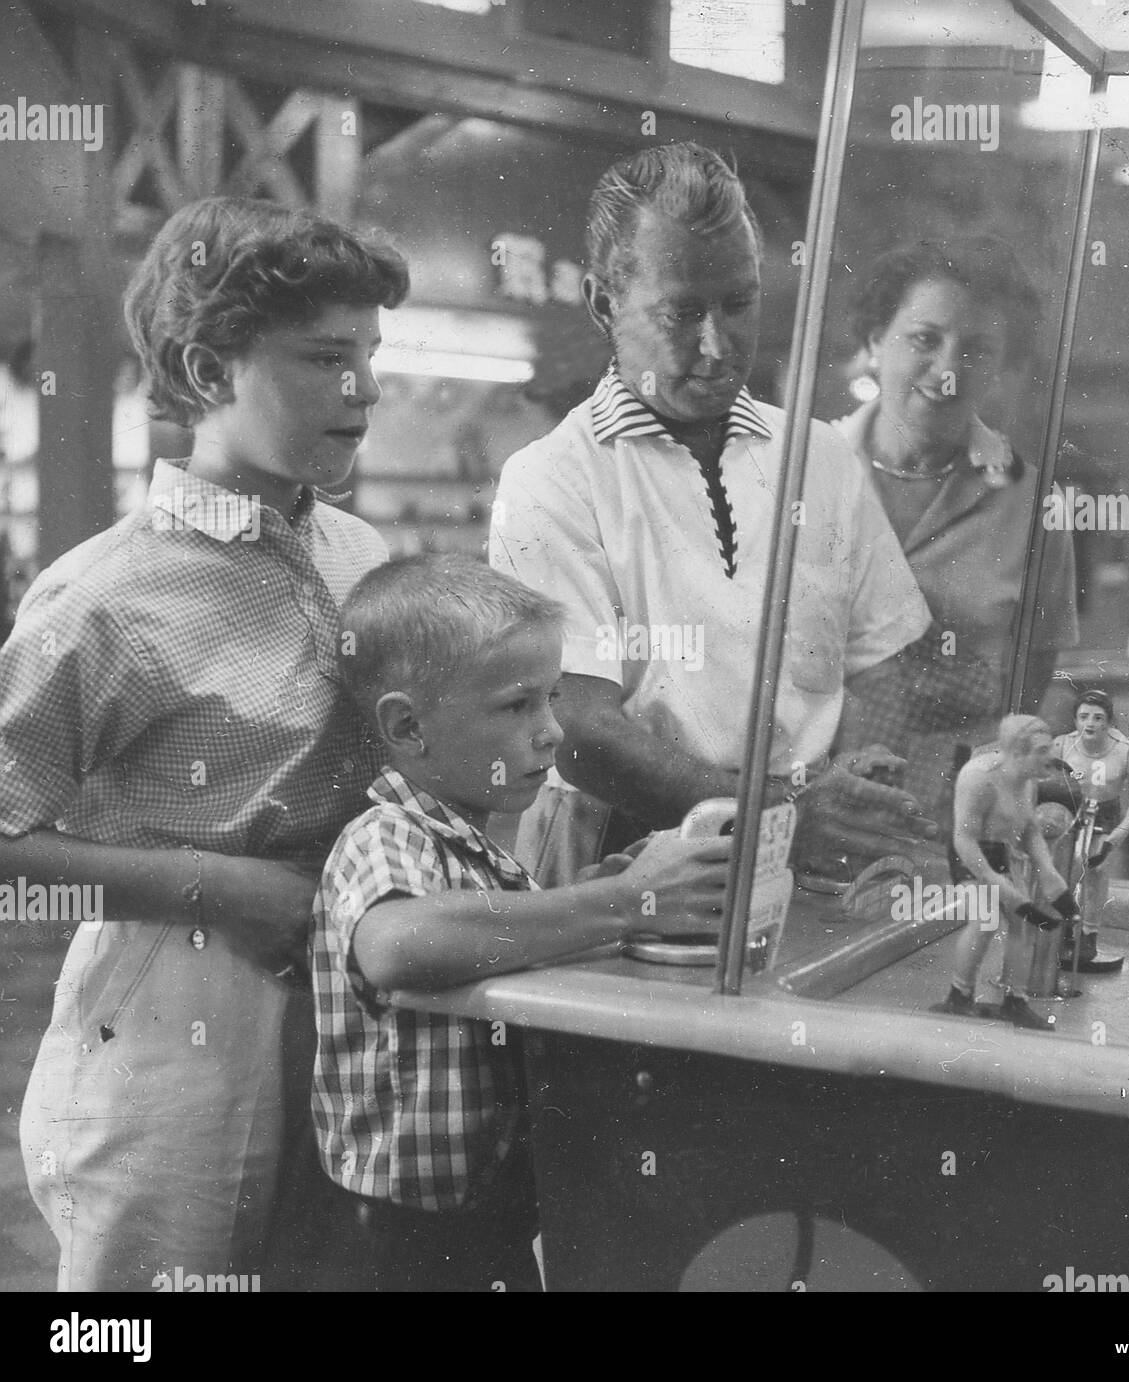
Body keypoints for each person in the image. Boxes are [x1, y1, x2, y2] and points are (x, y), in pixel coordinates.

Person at [2, 197, 408, 1291]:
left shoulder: (360, 550)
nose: (365, 390)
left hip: (344, 1000)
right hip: (170, 1015)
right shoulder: (105, 595)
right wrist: (215, 886)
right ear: (208, 368)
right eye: (327, 357)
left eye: (371, 356)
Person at [490, 142, 934, 888]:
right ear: (604, 303)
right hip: (625, 856)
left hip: (809, 848)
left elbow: (883, 665)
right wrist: (780, 816)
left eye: (738, 303)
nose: (717, 344)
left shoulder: (818, 457)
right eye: (683, 312)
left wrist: (856, 785)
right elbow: (582, 730)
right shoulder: (550, 481)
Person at [314, 554, 732, 1290]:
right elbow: (397, 945)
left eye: (553, 701)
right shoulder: (385, 838)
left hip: (487, 1222)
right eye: (517, 707)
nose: (550, 734)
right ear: (408, 726)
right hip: (398, 1243)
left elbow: (507, 933)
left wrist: (613, 881)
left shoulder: (483, 852)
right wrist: (626, 901)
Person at [835, 236, 1079, 830]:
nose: (947, 371)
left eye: (975, 351)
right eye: (925, 339)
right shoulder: (803, 472)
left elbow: (1034, 676)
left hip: (951, 817)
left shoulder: (1031, 500)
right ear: (874, 343)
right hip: (812, 803)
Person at [936, 715, 1078, 1031]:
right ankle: (959, 995)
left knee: (1023, 926)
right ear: (1017, 752)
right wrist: (996, 882)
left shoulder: (1026, 781)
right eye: (1042, 751)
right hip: (971, 854)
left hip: (1003, 851)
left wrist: (1048, 871)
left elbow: (1028, 829)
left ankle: (1017, 1001)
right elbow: (964, 838)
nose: (1050, 757)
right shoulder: (980, 778)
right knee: (986, 921)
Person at [1051, 689, 1129, 971]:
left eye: (1097, 717)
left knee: (1095, 869)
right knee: (1064, 870)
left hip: (1104, 816)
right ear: (1075, 720)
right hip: (1069, 813)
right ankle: (1062, 930)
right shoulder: (1061, 746)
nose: (1090, 723)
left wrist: (1120, 833)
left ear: (1108, 721)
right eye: (1083, 717)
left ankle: (1089, 935)